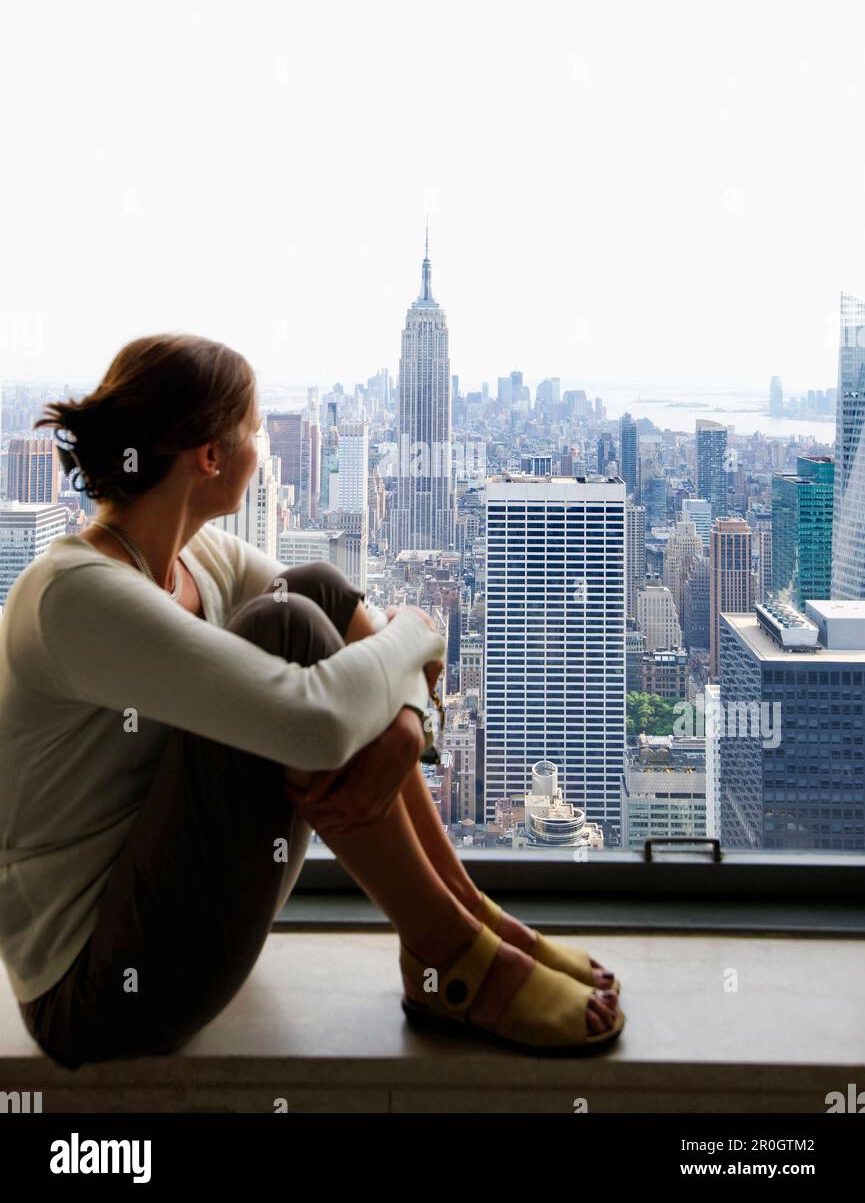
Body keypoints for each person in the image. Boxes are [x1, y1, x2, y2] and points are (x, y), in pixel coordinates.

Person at [0, 333, 621, 1065]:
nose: (263, 446)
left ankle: (465, 912)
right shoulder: (76, 597)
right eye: (255, 430)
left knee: (313, 586)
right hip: (97, 994)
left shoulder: (196, 558)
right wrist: (422, 630)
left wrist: (404, 726)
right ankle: (445, 953)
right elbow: (317, 722)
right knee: (286, 623)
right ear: (210, 456)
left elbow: (355, 635)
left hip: (161, 907)